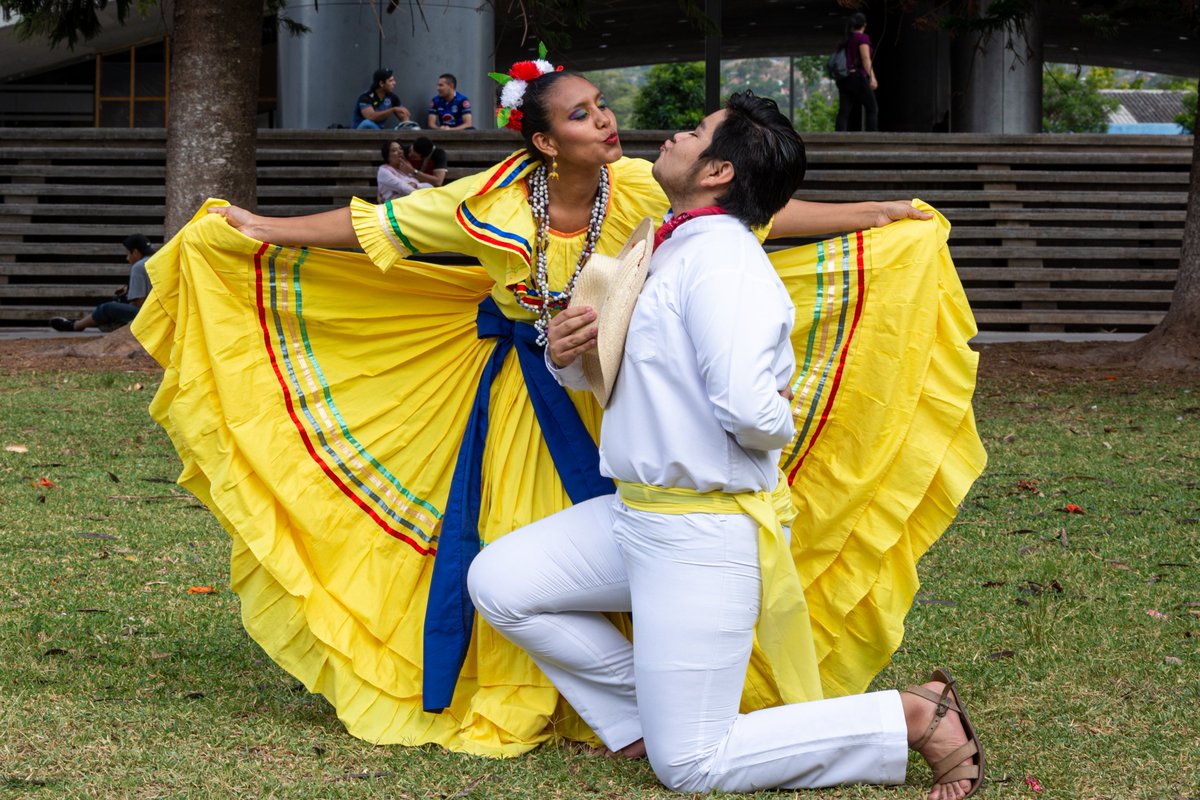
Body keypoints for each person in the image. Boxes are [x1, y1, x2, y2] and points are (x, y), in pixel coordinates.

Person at [130, 54, 985, 756]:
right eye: (582, 115)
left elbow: (756, 209)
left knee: (630, 555)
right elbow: (371, 230)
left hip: (649, 431)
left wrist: (875, 212)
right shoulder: (492, 202)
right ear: (543, 140)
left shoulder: (660, 198)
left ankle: (743, 722)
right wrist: (259, 227)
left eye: (604, 107)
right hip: (543, 393)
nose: (609, 121)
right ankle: (619, 713)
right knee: (504, 561)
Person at [467, 92, 983, 800]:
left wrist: (770, 427)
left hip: (700, 528)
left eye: (695, 131)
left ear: (717, 173)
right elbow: (611, 376)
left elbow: (748, 407)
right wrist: (562, 354)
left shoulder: (725, 266)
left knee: (692, 769)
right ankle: (643, 719)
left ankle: (915, 717)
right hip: (638, 513)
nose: (674, 136)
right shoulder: (667, 245)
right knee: (502, 581)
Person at [50, 234, 154, 332]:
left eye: (128, 254)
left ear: (135, 252)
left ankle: (76, 325)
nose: (127, 258)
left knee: (107, 308)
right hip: (162, 313)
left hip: (150, 315)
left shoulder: (138, 267)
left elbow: (139, 302)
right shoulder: (157, 260)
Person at [835, 12, 879, 132]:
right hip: (857, 77)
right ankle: (872, 138)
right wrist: (872, 77)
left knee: (844, 111)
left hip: (844, 78)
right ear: (864, 25)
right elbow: (865, 58)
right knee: (872, 108)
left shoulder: (846, 40)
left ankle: (839, 137)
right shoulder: (862, 38)